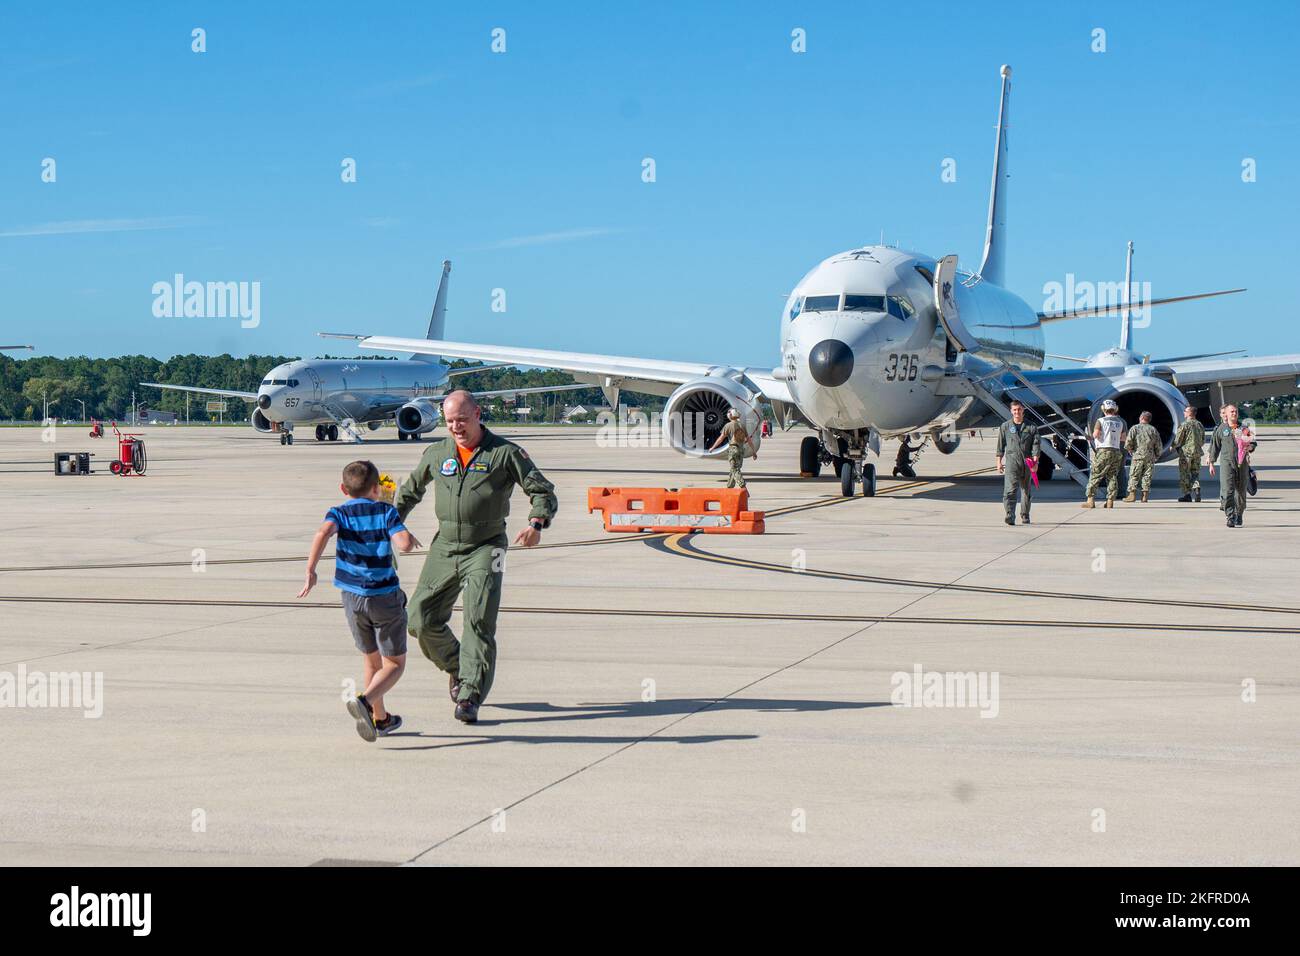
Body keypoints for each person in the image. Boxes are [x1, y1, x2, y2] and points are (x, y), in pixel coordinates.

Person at [395, 390, 557, 723]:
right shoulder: (437, 452)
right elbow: (409, 492)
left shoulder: (504, 453)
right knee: (418, 619)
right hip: (445, 545)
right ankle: (460, 667)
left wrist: (536, 522)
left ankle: (469, 695)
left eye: (462, 420)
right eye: (450, 420)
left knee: (478, 621)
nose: (456, 427)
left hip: (487, 545)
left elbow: (540, 489)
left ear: (478, 413)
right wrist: (394, 526)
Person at [299, 460, 420, 742]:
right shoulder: (386, 511)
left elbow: (322, 533)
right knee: (395, 664)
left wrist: (310, 570)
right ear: (377, 489)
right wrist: (409, 538)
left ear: (344, 488)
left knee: (371, 660)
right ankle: (365, 702)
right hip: (383, 596)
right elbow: (402, 544)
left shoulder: (338, 513)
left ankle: (380, 719)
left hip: (352, 597)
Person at [995, 400, 1040, 525]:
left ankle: (1025, 515)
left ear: (1023, 410)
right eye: (1014, 410)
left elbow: (1036, 446)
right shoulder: (1005, 427)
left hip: (1027, 462)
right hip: (1012, 462)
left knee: (1026, 491)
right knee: (1010, 490)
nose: (1017, 412)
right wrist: (999, 462)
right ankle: (1010, 515)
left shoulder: (1031, 427)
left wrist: (1035, 462)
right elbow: (1000, 446)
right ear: (1011, 411)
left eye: (1019, 409)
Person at [1209, 404, 1251, 527]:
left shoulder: (1243, 429)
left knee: (1241, 491)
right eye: (1231, 412)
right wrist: (1211, 462)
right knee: (1227, 491)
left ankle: (1239, 513)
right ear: (1226, 414)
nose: (1234, 413)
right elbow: (1215, 447)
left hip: (1242, 464)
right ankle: (1230, 516)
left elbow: (1252, 442)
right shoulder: (1221, 429)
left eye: (1236, 411)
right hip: (1227, 463)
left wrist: (1250, 447)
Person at [1082, 399, 1126, 509]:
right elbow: (1123, 438)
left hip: (1103, 450)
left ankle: (1090, 500)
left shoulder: (1100, 421)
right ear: (1115, 409)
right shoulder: (1121, 422)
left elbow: (1095, 435)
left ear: (1103, 409)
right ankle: (1110, 500)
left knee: (1095, 475)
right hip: (1116, 451)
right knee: (1112, 476)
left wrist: (1090, 437)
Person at [708, 408, 757, 489]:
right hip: (741, 450)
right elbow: (748, 440)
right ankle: (729, 487)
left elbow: (721, 438)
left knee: (734, 469)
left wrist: (712, 447)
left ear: (730, 415)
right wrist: (754, 452)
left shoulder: (728, 426)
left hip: (733, 449)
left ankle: (743, 486)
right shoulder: (742, 425)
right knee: (733, 469)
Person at [1123, 411, 1162, 502]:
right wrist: (1157, 455)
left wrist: (1130, 450)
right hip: (1150, 456)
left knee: (1134, 475)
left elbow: (1128, 442)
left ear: (1141, 418)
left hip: (1138, 455)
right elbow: (1158, 445)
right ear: (1149, 419)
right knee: (1147, 476)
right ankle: (1145, 496)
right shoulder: (1153, 429)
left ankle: (1132, 495)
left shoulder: (1135, 428)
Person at [1173, 404, 1206, 502]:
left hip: (1186, 453)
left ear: (1189, 413)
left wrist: (1172, 446)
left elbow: (1178, 440)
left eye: (1185, 411)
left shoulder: (1184, 425)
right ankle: (1197, 488)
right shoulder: (1199, 424)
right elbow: (1203, 440)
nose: (1184, 413)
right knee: (1195, 473)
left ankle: (1187, 494)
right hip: (1197, 453)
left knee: (1185, 473)